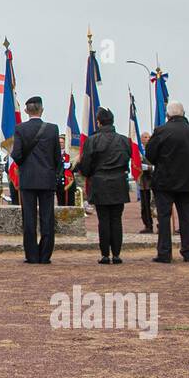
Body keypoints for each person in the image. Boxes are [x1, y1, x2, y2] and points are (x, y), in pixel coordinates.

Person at [144, 100, 189, 263]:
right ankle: (188, 251)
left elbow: (150, 154)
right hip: (188, 180)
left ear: (168, 115)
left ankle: (164, 252)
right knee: (187, 217)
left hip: (164, 180)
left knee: (163, 217)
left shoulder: (161, 131)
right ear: (183, 113)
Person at [10, 96, 62, 264]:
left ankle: (32, 255)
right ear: (42, 109)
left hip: (28, 179)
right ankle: (45, 254)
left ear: (26, 111)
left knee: (29, 218)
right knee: (47, 218)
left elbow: (16, 155)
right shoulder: (53, 129)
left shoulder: (20, 129)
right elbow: (57, 157)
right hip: (47, 179)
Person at [78, 107, 131, 264]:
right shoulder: (123, 140)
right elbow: (126, 159)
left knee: (104, 219)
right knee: (116, 219)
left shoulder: (92, 140)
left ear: (99, 122)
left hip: (100, 182)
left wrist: (88, 173)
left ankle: (105, 254)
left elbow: (86, 164)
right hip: (119, 182)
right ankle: (116, 254)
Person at [138, 131, 154, 233]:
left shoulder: (153, 150)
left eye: (148, 137)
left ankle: (160, 225)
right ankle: (148, 225)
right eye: (145, 137)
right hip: (143, 182)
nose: (147, 139)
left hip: (153, 180)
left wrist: (148, 167)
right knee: (145, 205)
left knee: (155, 206)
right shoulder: (139, 151)